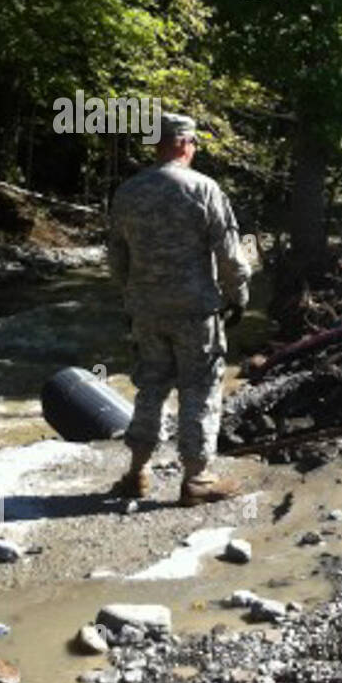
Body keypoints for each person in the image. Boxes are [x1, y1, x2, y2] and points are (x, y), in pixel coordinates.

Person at [108, 113, 252, 505]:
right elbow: (230, 256)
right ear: (183, 143)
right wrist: (238, 296)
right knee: (200, 386)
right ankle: (197, 477)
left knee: (150, 384)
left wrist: (130, 297)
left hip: (146, 310)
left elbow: (117, 258)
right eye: (193, 143)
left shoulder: (128, 193)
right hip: (194, 310)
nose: (194, 149)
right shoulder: (205, 189)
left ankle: (137, 472)